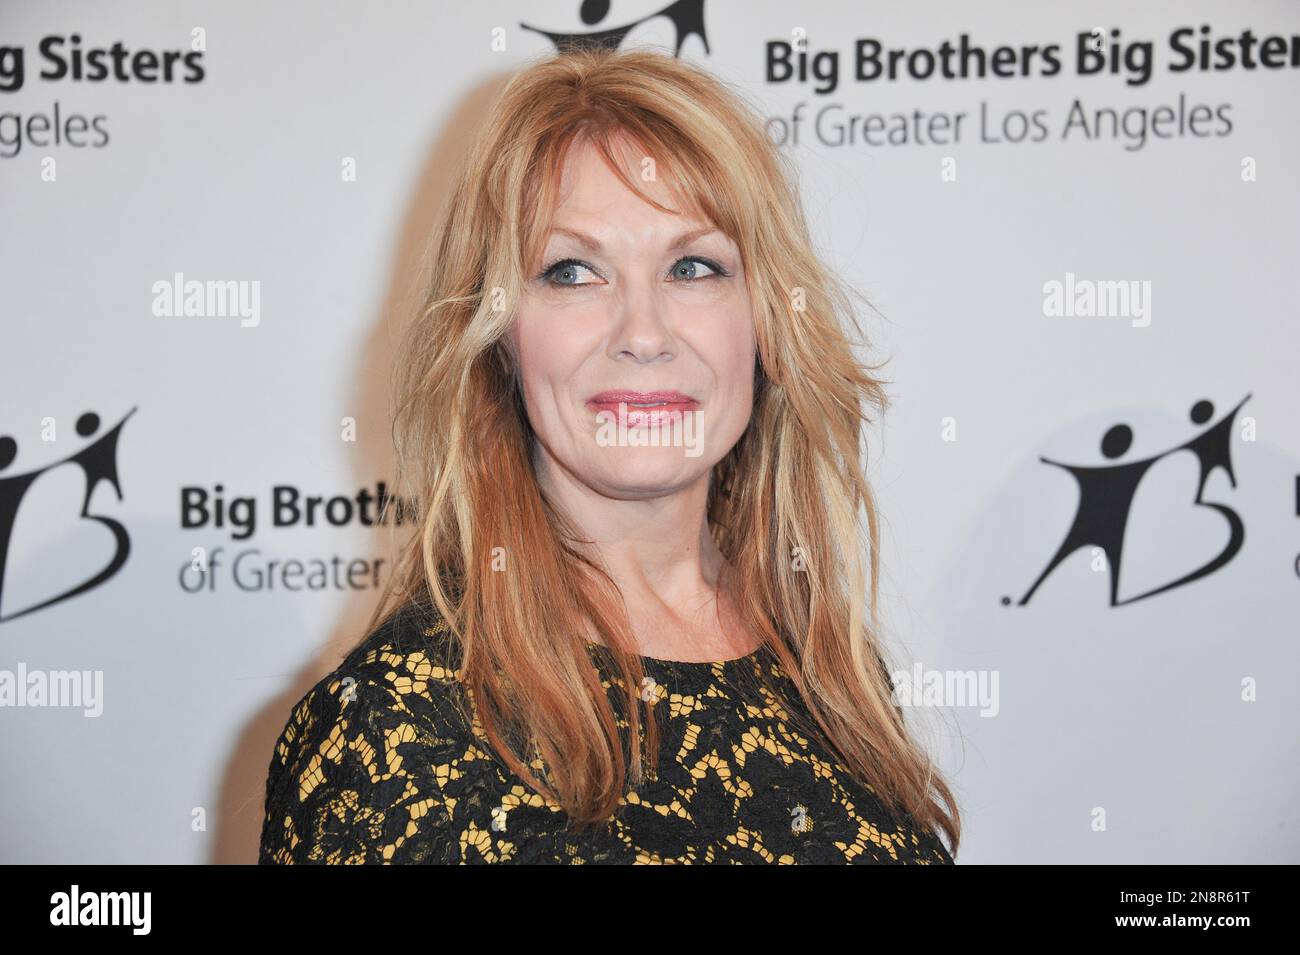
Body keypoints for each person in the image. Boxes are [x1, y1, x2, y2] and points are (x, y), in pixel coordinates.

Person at [259, 46, 959, 864]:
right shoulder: (385, 733)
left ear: (768, 320)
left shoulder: (827, 667)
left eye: (693, 266)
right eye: (572, 272)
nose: (644, 334)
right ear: (498, 341)